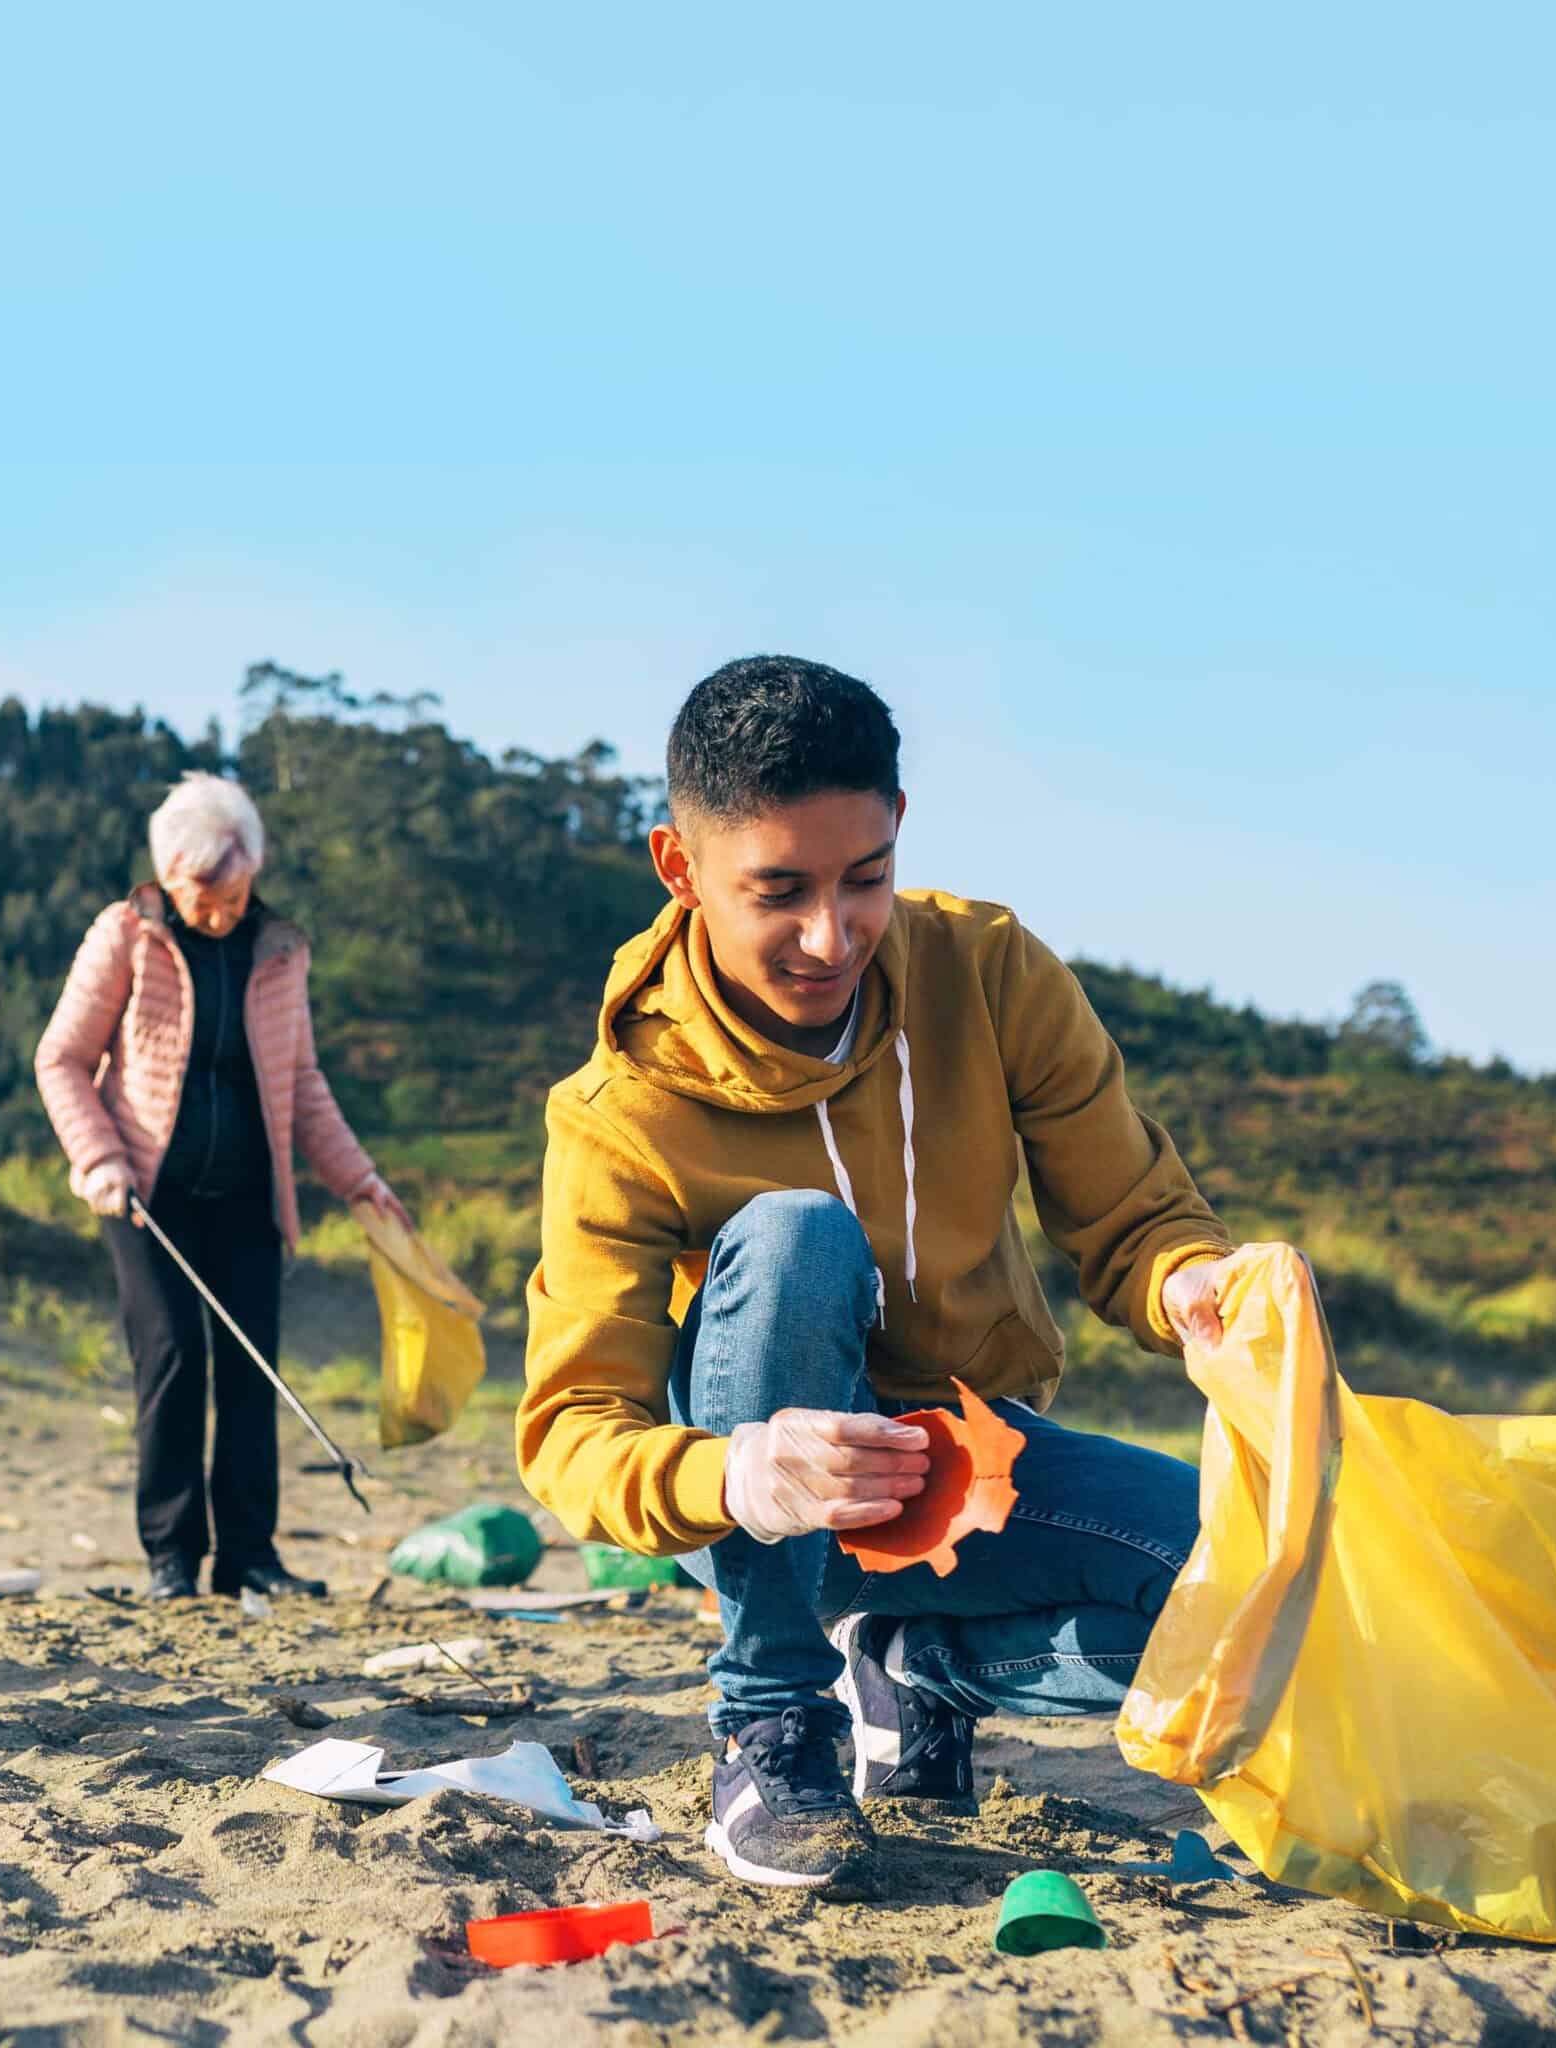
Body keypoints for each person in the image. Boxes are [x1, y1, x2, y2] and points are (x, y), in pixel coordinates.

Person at [519, 655, 1262, 1893]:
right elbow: (571, 1434)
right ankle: (775, 1722)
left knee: (1258, 1597)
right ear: (679, 866)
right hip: (759, 1509)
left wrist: (1189, 1281)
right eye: (780, 892)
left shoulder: (990, 969)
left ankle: (920, 1665)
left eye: (865, 879)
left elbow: (1135, 1214)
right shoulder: (619, 1113)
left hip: (975, 1467)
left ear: (900, 830)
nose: (831, 934)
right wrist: (743, 1468)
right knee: (796, 1232)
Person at [37, 772, 410, 1603]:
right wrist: (100, 1162)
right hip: (143, 1192)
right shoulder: (124, 935)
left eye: (235, 895)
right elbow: (60, 1059)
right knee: (172, 1356)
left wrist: (359, 1179)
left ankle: (249, 1557)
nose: (220, 913)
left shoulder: (279, 948)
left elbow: (302, 1081)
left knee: (251, 1373)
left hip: (247, 1196)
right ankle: (171, 1555)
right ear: (170, 876)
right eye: (204, 897)